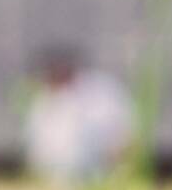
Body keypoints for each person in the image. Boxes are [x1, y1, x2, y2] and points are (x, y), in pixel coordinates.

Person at [24, 47, 133, 182]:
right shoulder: (42, 103)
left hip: (107, 174)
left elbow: (125, 129)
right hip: (59, 179)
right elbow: (38, 150)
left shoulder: (102, 89)